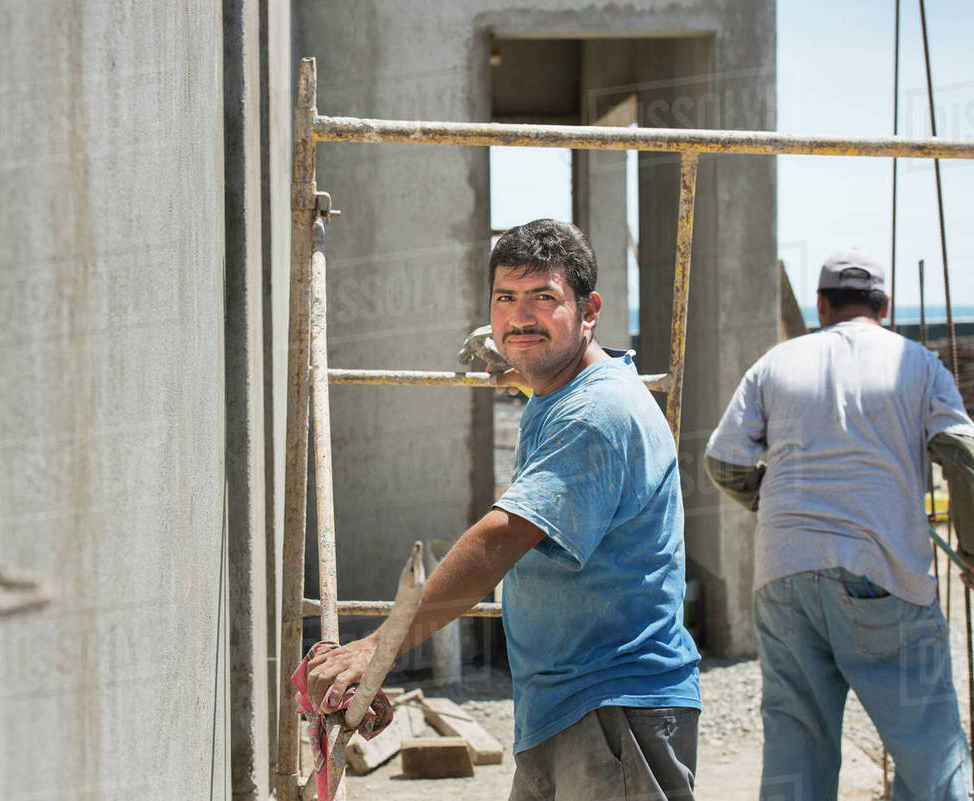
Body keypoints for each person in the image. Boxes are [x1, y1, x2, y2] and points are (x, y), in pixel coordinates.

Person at [306, 218, 701, 800]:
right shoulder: (563, 388)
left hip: (614, 709)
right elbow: (549, 374)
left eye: (544, 299)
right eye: (506, 299)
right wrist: (520, 371)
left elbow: (501, 537)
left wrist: (378, 646)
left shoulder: (596, 414)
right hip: (569, 705)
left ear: (589, 311)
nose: (520, 317)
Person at [704, 248, 974, 800]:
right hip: (882, 573)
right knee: (930, 750)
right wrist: (971, 554)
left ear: (822, 304)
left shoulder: (776, 363)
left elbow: (723, 461)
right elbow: (963, 457)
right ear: (886, 305)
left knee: (796, 744)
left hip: (784, 574)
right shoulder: (919, 365)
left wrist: (775, 505)